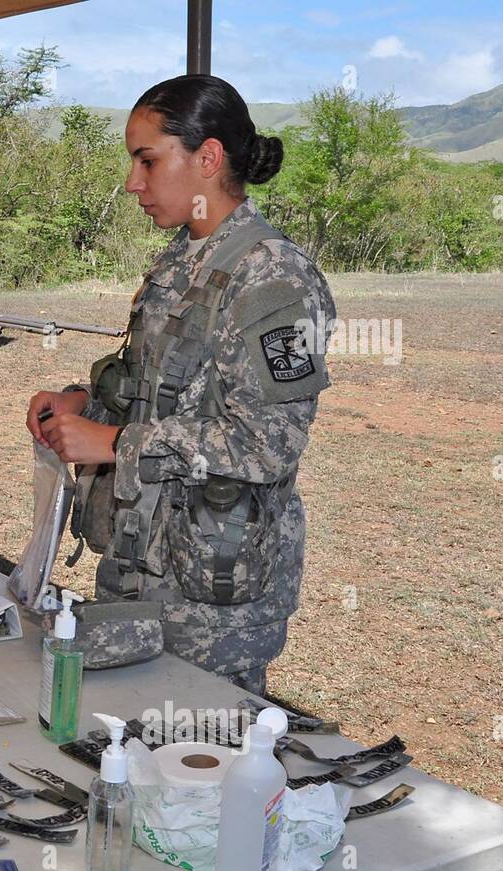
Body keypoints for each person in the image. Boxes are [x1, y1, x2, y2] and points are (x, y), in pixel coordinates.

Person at [26, 75, 334, 696]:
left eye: (148, 160)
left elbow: (268, 445)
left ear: (208, 157)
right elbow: (156, 383)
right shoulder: (181, 259)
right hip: (140, 570)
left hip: (210, 607)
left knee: (202, 775)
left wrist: (114, 443)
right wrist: (81, 403)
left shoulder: (277, 281)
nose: (133, 182)